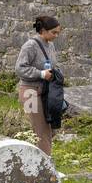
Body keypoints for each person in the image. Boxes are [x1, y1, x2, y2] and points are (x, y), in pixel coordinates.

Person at [16, 15, 62, 155]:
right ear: (43, 30)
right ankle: (45, 166)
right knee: (41, 130)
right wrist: (41, 74)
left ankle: (38, 160)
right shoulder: (30, 46)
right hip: (30, 92)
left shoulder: (51, 45)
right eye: (53, 32)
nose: (56, 35)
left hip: (47, 92)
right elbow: (20, 68)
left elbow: (53, 64)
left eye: (58, 32)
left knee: (51, 128)